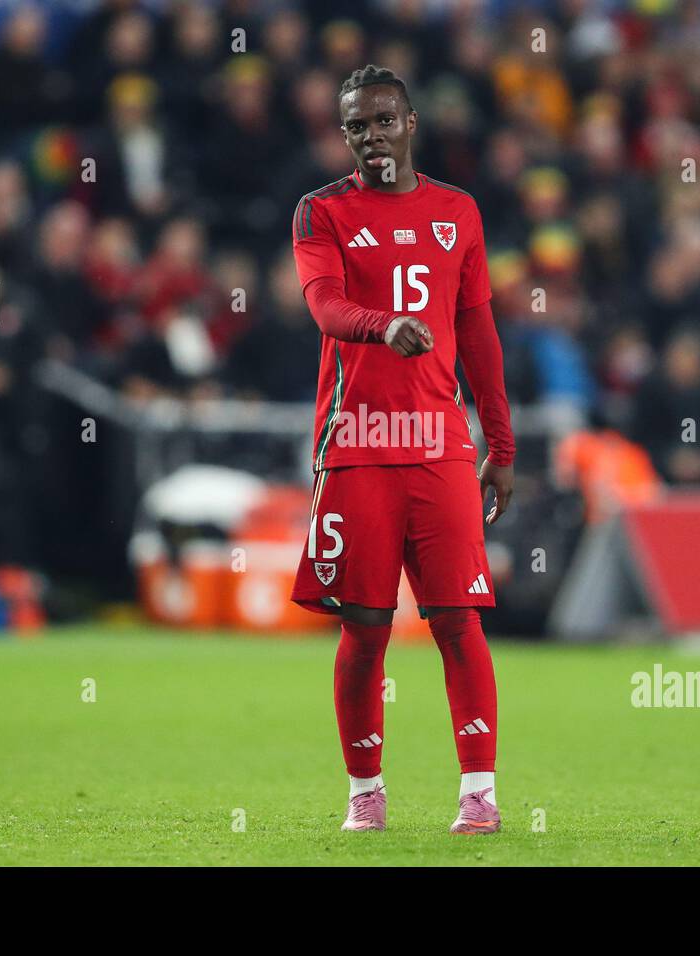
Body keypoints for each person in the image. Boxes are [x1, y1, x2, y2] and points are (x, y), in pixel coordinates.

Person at [289, 66, 515, 834]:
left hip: (441, 445)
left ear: (411, 122)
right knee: (366, 627)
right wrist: (382, 326)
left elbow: (480, 335)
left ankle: (478, 793)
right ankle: (365, 793)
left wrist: (502, 444)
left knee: (459, 620)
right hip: (357, 443)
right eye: (356, 126)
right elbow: (323, 305)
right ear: (344, 134)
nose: (371, 137)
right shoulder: (320, 212)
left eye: (384, 121)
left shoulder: (459, 212)